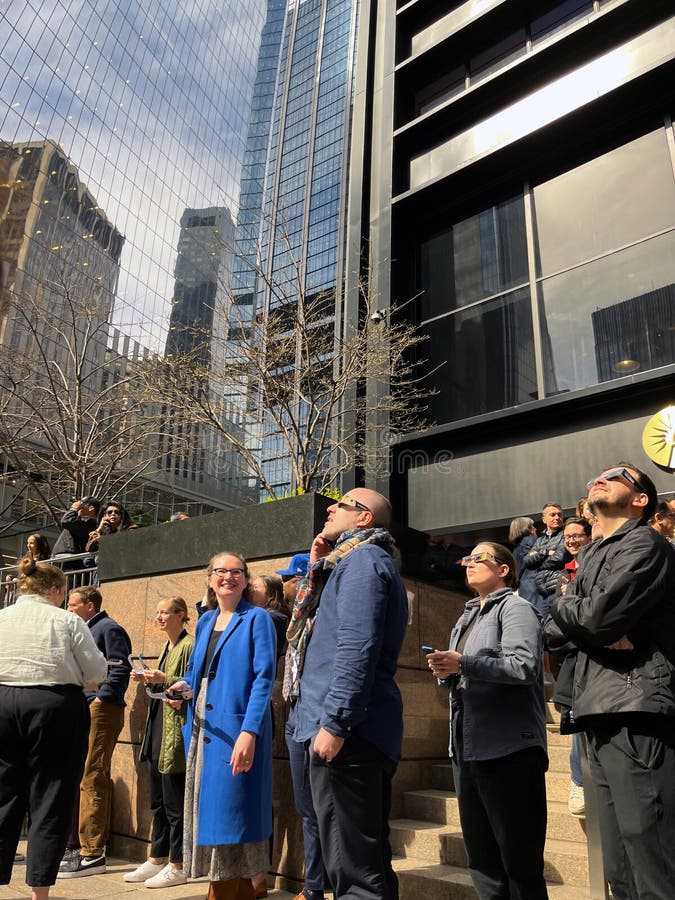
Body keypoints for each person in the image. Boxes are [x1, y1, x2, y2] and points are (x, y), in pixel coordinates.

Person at [546, 463, 675, 900]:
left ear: (641, 499)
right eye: (596, 475)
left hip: (634, 705)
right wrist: (577, 612)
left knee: (649, 852)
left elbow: (597, 619)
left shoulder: (645, 543)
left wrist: (574, 608)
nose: (599, 477)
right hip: (593, 706)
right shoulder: (595, 552)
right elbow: (556, 632)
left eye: (617, 473)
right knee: (618, 864)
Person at [289, 489, 408, 900]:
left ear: (363, 519)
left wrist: (336, 722)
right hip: (342, 729)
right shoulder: (347, 562)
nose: (329, 509)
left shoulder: (362, 561)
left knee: (355, 874)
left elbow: (357, 646)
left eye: (340, 505)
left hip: (347, 736)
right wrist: (318, 560)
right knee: (363, 862)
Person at [426, 542, 548, 900]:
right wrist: (446, 670)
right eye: (467, 558)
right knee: (482, 863)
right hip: (467, 749)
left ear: (504, 570)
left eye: (479, 558)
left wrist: (463, 663)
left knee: (520, 865)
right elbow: (464, 672)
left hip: (509, 749)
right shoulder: (466, 615)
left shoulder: (517, 608)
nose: (468, 563)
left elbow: (523, 666)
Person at [0, 557, 107, 900]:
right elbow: (97, 672)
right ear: (57, 590)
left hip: (2, 700)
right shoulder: (67, 621)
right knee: (51, 796)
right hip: (54, 705)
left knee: (3, 796)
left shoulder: (1, 618)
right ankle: (40, 894)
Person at [172, 552, 277, 900]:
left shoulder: (257, 618)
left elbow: (264, 679)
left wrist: (250, 731)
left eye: (236, 572)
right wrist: (179, 687)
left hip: (236, 731)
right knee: (212, 815)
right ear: (209, 577)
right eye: (220, 571)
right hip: (202, 731)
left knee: (233, 818)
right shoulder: (204, 621)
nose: (228, 577)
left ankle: (227, 890)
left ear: (246, 580)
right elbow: (197, 674)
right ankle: (241, 889)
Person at [57, 586, 132, 878]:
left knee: (92, 775)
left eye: (73, 604)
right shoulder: (88, 628)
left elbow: (119, 667)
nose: (69, 609)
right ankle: (81, 846)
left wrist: (103, 697)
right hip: (86, 707)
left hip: (101, 708)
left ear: (90, 605)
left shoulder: (108, 628)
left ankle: (92, 852)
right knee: (85, 776)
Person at [124, 597, 194, 888]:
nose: (159, 617)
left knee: (174, 801)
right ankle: (157, 857)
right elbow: (166, 682)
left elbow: (192, 681)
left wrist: (164, 677)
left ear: (181, 615)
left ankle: (177, 863)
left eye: (164, 612)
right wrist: (150, 678)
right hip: (157, 726)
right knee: (158, 801)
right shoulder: (168, 644)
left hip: (174, 730)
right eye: (157, 612)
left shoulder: (189, 645)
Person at [551, 517, 592, 818]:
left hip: (597, 661)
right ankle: (578, 781)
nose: (573, 540)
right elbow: (555, 623)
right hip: (575, 659)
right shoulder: (564, 575)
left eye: (578, 535)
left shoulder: (601, 566)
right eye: (568, 536)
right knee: (577, 718)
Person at [520, 503, 566, 619]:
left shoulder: (565, 534)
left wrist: (538, 561)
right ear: (544, 520)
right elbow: (527, 561)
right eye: (553, 515)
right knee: (546, 628)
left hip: (558, 588)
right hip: (542, 592)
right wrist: (545, 552)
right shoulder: (540, 540)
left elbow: (559, 558)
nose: (557, 517)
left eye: (559, 515)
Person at [51, 497, 101, 562]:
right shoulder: (80, 521)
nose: (78, 508)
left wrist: (73, 509)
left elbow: (66, 521)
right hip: (66, 558)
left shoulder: (89, 522)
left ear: (91, 508)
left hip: (70, 559)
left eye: (81, 505)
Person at [508, 516, 541, 608]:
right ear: (527, 529)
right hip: (536, 584)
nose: (535, 529)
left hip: (524, 587)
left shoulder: (515, 550)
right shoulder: (530, 541)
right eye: (532, 526)